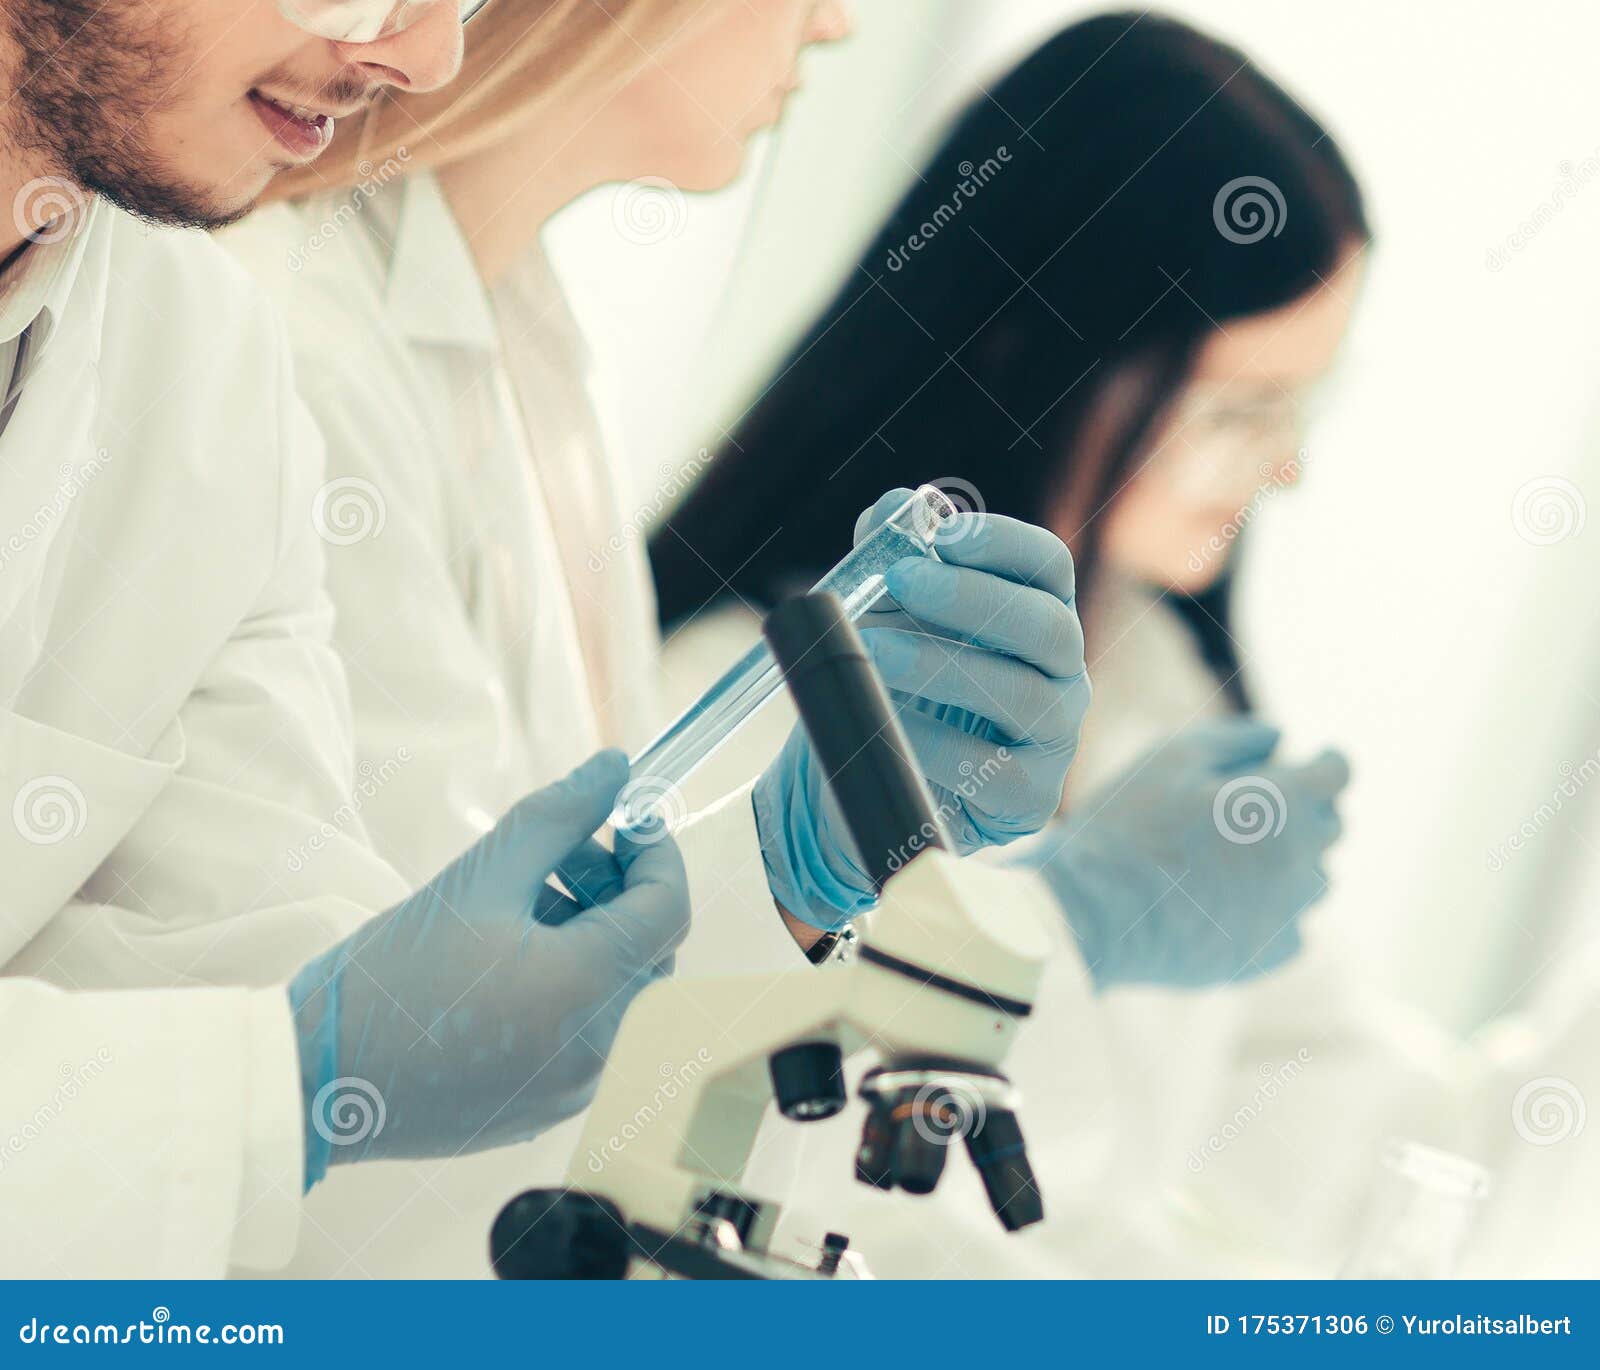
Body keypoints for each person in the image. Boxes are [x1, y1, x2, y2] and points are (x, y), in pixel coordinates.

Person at [219, 0, 1093, 1275]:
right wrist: (773, 879)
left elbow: (539, 1004)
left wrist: (785, 890)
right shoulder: (293, 338)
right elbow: (388, 1076)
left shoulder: (528, 345)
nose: (839, 27)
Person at [652, 12, 1374, 1274]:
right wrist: (1064, 925)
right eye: (1242, 409)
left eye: (1306, 406)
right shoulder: (760, 697)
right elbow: (760, 1165)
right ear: (1043, 349)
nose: (1291, 466)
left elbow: (1348, 1124)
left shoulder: (1165, 689)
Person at [0, 0, 691, 1276]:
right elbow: (261, 1070)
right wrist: (296, 1070)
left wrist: (766, 880)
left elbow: (246, 948)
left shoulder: (200, 352)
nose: (424, 58)